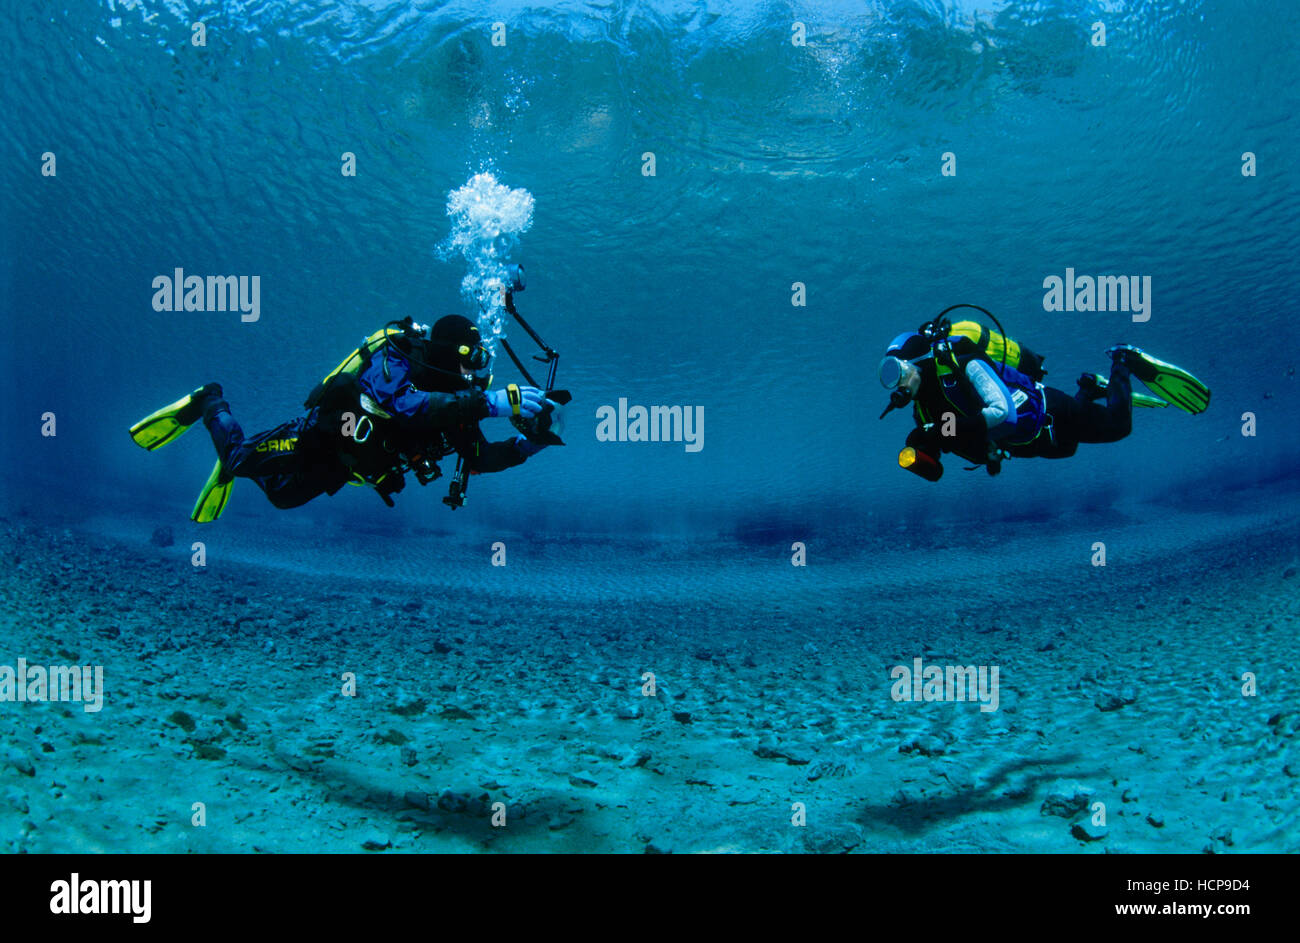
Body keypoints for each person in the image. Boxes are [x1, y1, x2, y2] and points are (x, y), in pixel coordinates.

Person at [129, 315, 560, 520]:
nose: (477, 374)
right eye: (472, 361)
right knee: (240, 461)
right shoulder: (398, 357)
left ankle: (239, 457)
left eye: (481, 363)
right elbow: (402, 406)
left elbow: (479, 457)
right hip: (320, 436)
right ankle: (210, 402)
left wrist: (529, 446)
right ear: (450, 353)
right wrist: (492, 404)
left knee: (282, 497)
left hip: (348, 467)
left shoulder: (461, 403)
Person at [878, 312, 1210, 479]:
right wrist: (921, 451)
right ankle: (1089, 389)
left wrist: (939, 432)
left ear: (916, 362)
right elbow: (943, 459)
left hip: (1051, 411)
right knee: (1068, 449)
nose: (895, 384)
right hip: (1034, 440)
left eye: (896, 371)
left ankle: (1123, 360)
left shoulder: (964, 365)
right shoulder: (924, 412)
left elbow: (1002, 414)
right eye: (888, 377)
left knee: (1118, 427)